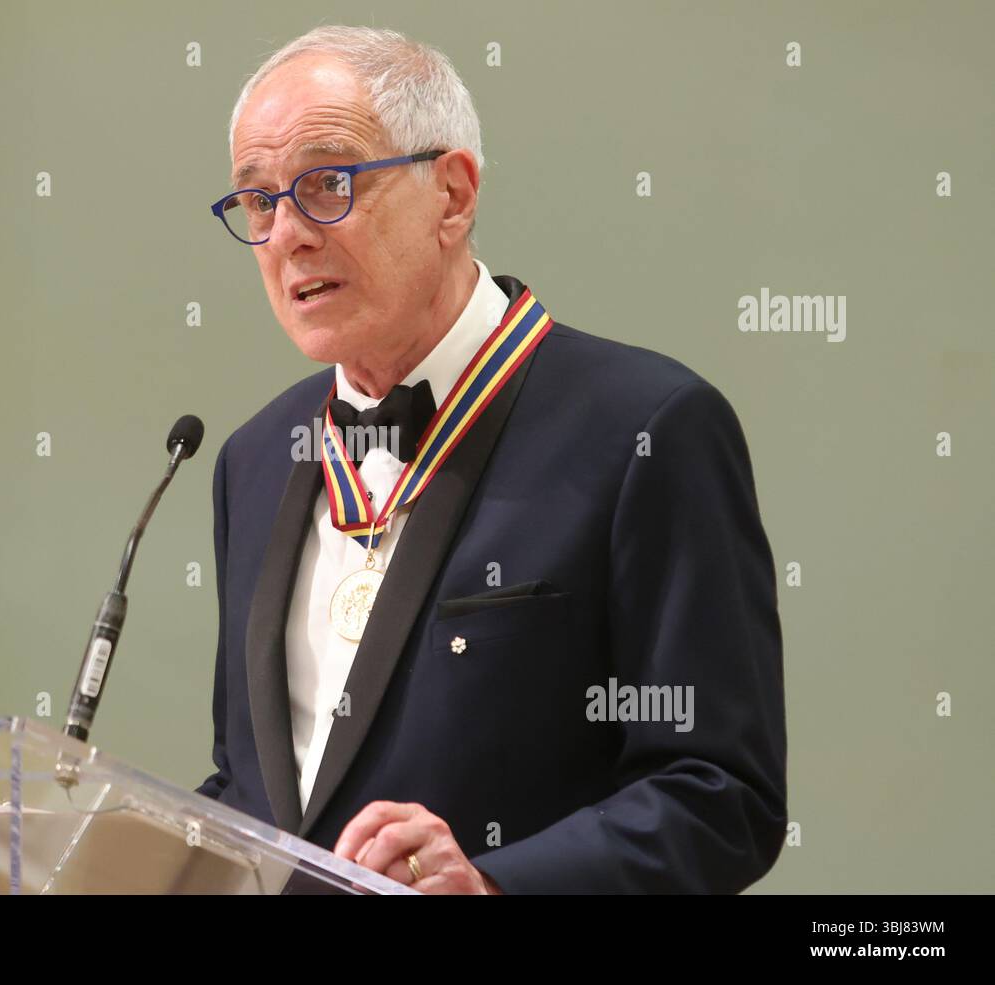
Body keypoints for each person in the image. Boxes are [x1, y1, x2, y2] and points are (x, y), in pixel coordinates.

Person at [197, 25, 786, 894]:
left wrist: (497, 883)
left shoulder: (645, 428)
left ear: (452, 194)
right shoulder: (250, 461)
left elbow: (722, 794)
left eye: (326, 184)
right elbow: (254, 793)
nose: (287, 233)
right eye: (258, 201)